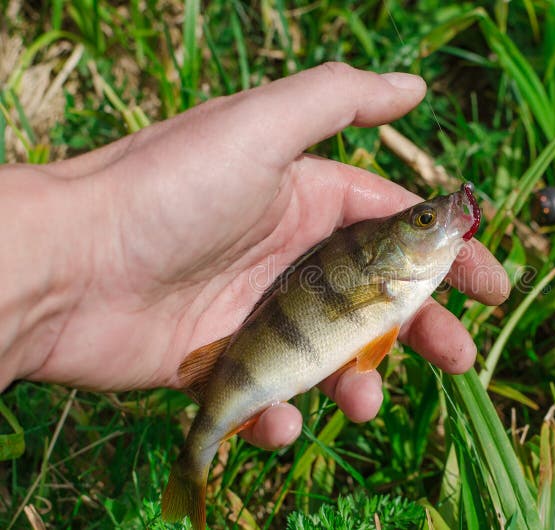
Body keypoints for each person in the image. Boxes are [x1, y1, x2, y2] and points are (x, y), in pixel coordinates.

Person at [0, 63, 510, 450]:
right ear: (383, 253)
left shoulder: (389, 281)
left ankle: (198, 453)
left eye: (425, 218)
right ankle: (196, 460)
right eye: (424, 220)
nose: (436, 218)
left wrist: (60, 261)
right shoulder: (379, 279)